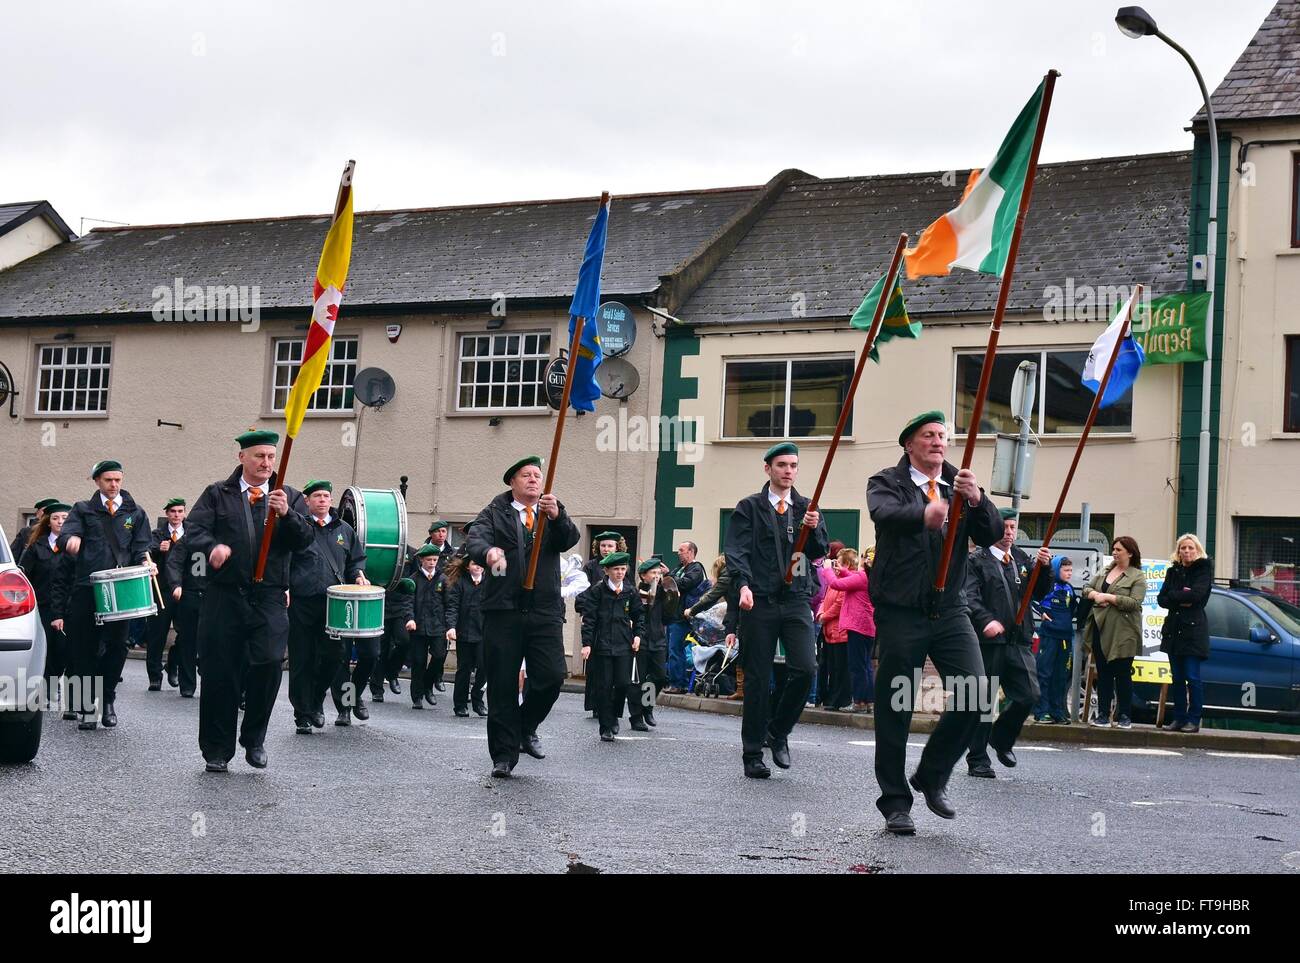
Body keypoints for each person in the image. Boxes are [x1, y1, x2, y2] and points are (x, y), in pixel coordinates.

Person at [867, 411, 1002, 835]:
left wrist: (977, 500)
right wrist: (922, 513)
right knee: (897, 706)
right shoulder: (888, 480)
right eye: (929, 435)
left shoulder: (960, 483)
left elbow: (992, 532)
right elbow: (882, 513)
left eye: (943, 436)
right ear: (910, 443)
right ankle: (895, 802)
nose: (938, 442)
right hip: (900, 610)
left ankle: (932, 774)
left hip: (950, 610)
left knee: (976, 693)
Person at [185, 430, 313, 772]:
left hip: (270, 595)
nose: (267, 464)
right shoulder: (217, 494)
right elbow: (193, 531)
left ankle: (253, 738)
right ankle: (217, 749)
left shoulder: (290, 496)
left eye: (271, 457)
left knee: (270, 663)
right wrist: (212, 547)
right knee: (219, 672)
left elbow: (305, 541)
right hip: (224, 596)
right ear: (242, 457)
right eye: (259, 456)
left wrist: (288, 515)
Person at [467, 455, 580, 778]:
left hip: (544, 609)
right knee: (502, 683)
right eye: (526, 475)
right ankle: (503, 756)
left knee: (551, 677)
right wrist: (489, 552)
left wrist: (558, 516)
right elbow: (476, 538)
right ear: (512, 482)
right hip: (503, 609)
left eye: (537, 475)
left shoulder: (550, 509)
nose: (533, 479)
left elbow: (568, 539)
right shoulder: (495, 511)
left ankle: (525, 726)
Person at [724, 442, 828, 779]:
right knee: (757, 678)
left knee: (806, 668)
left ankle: (779, 730)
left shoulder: (805, 508)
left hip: (796, 598)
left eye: (793, 465)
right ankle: (752, 752)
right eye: (782, 464)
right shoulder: (749, 508)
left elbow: (818, 551)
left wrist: (813, 528)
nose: (788, 471)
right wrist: (742, 586)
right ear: (768, 468)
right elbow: (736, 551)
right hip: (760, 600)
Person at [60, 460, 155, 731]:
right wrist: (71, 541)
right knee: (84, 649)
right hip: (87, 587)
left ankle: (109, 700)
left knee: (117, 646)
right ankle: (87, 707)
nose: (113, 485)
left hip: (121, 590)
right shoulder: (83, 509)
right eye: (108, 480)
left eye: (117, 480)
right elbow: (68, 534)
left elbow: (141, 547)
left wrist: (147, 561)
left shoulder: (134, 512)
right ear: (97, 482)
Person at [964, 509, 1052, 778]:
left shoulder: (1022, 559)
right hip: (988, 641)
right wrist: (986, 620)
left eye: (1014, 527)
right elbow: (970, 596)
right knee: (982, 701)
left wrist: (1044, 569)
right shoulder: (975, 560)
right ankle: (977, 758)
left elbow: (1038, 593)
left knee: (1030, 694)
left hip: (1018, 639)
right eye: (1004, 527)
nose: (1010, 533)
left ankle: (1001, 739)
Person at [289, 480, 368, 733]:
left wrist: (358, 575)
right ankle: (302, 714)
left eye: (326, 496)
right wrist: (285, 586)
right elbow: (283, 559)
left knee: (335, 655)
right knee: (302, 658)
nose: (323, 500)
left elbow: (356, 560)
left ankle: (315, 698)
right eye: (317, 496)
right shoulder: (296, 527)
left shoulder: (344, 530)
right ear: (307, 500)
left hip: (333, 603)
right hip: (301, 601)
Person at [579, 551, 646, 741]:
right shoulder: (597, 591)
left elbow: (639, 615)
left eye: (623, 569)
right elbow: (589, 619)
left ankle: (614, 715)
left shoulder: (630, 591)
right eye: (616, 569)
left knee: (623, 684)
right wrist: (587, 644)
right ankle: (606, 726)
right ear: (606, 571)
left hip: (624, 644)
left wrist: (638, 636)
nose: (620, 573)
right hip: (603, 645)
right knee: (604, 686)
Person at [1083, 536, 1147, 730]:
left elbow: (1135, 603)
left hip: (1124, 632)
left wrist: (1110, 597)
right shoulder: (1105, 570)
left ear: (1130, 552)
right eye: (1114, 549)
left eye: (1119, 549)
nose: (1115, 552)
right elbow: (1087, 588)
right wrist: (1094, 595)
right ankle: (1103, 714)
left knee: (1122, 674)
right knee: (1103, 674)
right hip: (1101, 628)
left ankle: (1125, 715)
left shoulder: (1137, 576)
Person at [18, 501, 74, 713]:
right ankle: (48, 688)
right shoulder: (36, 546)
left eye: (65, 518)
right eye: (55, 518)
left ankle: (53, 681)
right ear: (48, 522)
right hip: (42, 606)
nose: (60, 522)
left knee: (62, 649)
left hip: (67, 607)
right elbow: (24, 577)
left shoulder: (74, 546)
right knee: (46, 648)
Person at [1158, 533, 1213, 733]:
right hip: (1174, 630)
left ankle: (1194, 719)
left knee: (1192, 676)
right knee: (1177, 678)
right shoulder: (1173, 571)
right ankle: (1179, 718)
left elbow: (1197, 596)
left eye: (1191, 548)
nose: (1187, 551)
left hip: (1193, 631)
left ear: (1197, 550)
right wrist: (1181, 596)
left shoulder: (1203, 569)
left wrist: (1175, 596)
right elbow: (1162, 599)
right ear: (1178, 551)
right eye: (1183, 548)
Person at [163, 498, 207, 699]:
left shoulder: (221, 541)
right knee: (188, 640)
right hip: (189, 594)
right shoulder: (187, 541)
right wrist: (176, 585)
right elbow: (174, 563)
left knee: (212, 641)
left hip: (213, 597)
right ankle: (187, 684)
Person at [145, 498, 188, 692]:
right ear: (167, 514)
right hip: (161, 590)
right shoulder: (157, 534)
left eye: (180, 511)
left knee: (187, 632)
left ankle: (173, 662)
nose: (176, 515)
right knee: (157, 634)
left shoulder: (191, 533)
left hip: (184, 590)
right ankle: (155, 676)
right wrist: (157, 550)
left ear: (184, 513)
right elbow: (144, 553)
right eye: (172, 511)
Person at [828, 547, 876, 713]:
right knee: (866, 665)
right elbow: (852, 577)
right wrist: (842, 570)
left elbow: (836, 584)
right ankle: (869, 701)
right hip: (868, 627)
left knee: (857, 666)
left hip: (857, 626)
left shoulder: (863, 577)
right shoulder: (870, 577)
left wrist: (827, 569)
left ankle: (859, 702)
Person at [582, 531, 625, 714]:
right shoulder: (591, 567)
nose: (606, 549)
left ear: (617, 547)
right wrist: (584, 611)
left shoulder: (621, 568)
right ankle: (596, 704)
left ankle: (611, 705)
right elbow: (582, 591)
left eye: (610, 546)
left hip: (617, 622)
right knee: (595, 666)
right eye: (603, 546)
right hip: (595, 619)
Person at [685, 555, 738, 700]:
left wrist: (692, 610)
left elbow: (711, 596)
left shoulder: (727, 575)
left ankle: (742, 690)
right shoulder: (737, 573)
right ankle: (741, 689)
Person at [1033, 556, 1077, 724]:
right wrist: (1042, 613)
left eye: (1071, 570)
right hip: (1049, 636)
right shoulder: (1047, 586)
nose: (1069, 573)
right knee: (1044, 673)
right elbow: (1031, 599)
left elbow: (1073, 608)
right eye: (1065, 570)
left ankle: (1056, 711)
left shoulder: (1070, 589)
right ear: (1056, 570)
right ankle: (1041, 711)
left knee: (1060, 676)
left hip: (1065, 637)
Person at [444, 552, 488, 717]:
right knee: (464, 669)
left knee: (484, 668)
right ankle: (460, 705)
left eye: (480, 563)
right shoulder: (459, 583)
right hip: (465, 633)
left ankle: (478, 700)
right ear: (468, 566)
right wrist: (451, 627)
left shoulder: (490, 583)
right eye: (474, 563)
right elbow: (452, 606)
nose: (477, 566)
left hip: (484, 633)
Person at [634, 556, 676, 724]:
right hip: (642, 639)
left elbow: (668, 616)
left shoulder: (663, 592)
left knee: (659, 676)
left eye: (659, 573)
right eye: (653, 573)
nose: (657, 576)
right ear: (644, 575)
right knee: (639, 679)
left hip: (658, 639)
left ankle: (648, 706)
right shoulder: (637, 592)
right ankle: (636, 717)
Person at [665, 541, 708, 694]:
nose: (678, 552)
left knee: (676, 649)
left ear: (691, 552)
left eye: (681, 550)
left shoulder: (696, 568)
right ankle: (676, 682)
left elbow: (684, 584)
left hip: (682, 617)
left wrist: (669, 576)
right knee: (672, 649)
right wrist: (669, 574)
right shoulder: (679, 568)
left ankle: (678, 684)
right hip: (673, 615)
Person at [408, 543, 447, 709]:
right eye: (429, 559)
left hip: (438, 626)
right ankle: (417, 696)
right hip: (418, 627)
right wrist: (410, 618)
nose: (432, 563)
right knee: (418, 662)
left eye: (435, 559)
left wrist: (450, 625)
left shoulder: (443, 579)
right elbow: (407, 602)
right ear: (422, 560)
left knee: (439, 656)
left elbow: (450, 603)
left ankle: (428, 685)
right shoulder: (413, 580)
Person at [817, 557, 851, 711]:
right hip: (829, 630)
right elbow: (824, 599)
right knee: (831, 667)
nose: (836, 566)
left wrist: (824, 616)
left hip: (840, 631)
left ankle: (840, 700)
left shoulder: (845, 582)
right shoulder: (833, 583)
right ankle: (831, 698)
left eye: (839, 563)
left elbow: (839, 604)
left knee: (840, 668)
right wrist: (820, 613)